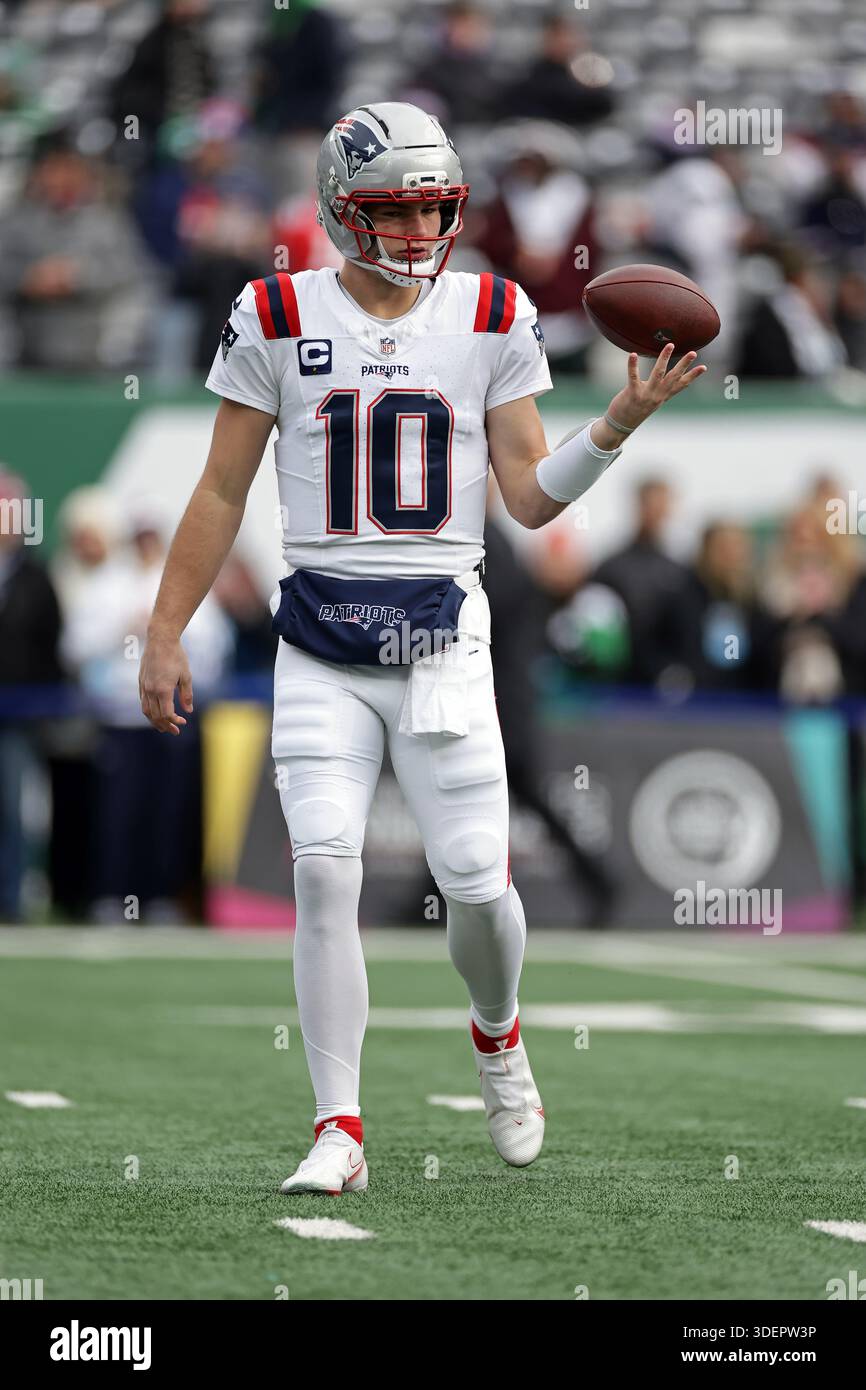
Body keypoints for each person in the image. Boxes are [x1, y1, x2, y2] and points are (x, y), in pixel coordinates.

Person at [139, 102, 704, 1196]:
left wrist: (616, 425)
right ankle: (337, 1125)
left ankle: (497, 1035)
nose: (416, 229)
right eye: (394, 208)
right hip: (319, 637)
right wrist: (164, 630)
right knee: (320, 874)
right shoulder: (270, 311)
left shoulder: (491, 310)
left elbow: (531, 500)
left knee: (476, 887)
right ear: (341, 209)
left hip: (443, 636)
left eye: (432, 207)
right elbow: (218, 489)